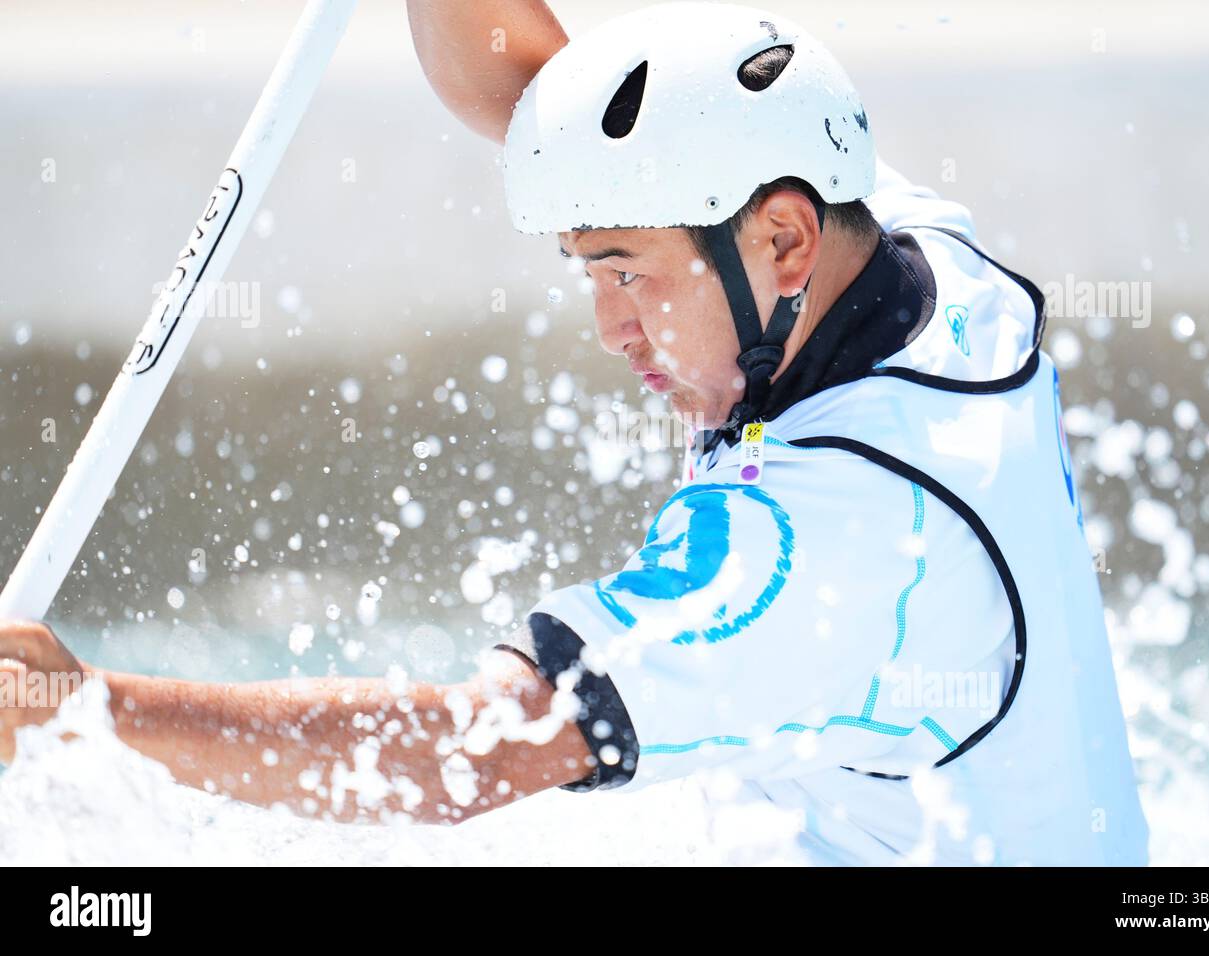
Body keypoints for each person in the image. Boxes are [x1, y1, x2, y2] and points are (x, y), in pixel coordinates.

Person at [0, 1, 1149, 865]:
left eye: (624, 272)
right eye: (584, 270)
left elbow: (473, 750)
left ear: (784, 243)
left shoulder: (834, 547)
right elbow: (532, 92)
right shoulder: (904, 252)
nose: (608, 327)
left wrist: (86, 711)